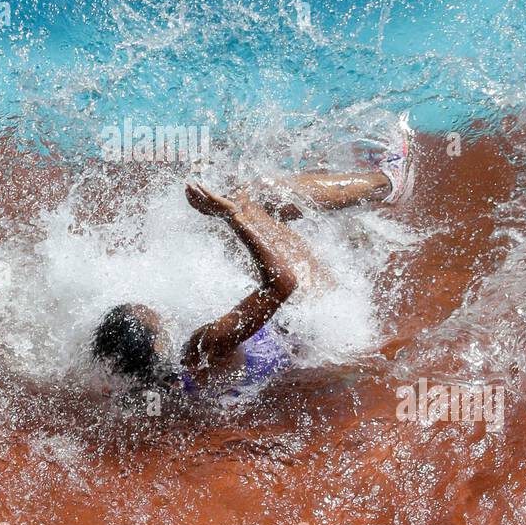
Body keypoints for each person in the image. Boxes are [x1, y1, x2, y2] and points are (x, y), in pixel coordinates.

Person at [92, 116, 416, 397]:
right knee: (254, 197)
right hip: (323, 324)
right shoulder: (205, 346)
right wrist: (233, 216)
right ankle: (388, 183)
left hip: (295, 338)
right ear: (157, 346)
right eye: (144, 315)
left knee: (242, 217)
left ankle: (349, 223)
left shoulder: (152, 381)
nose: (144, 306)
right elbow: (283, 285)